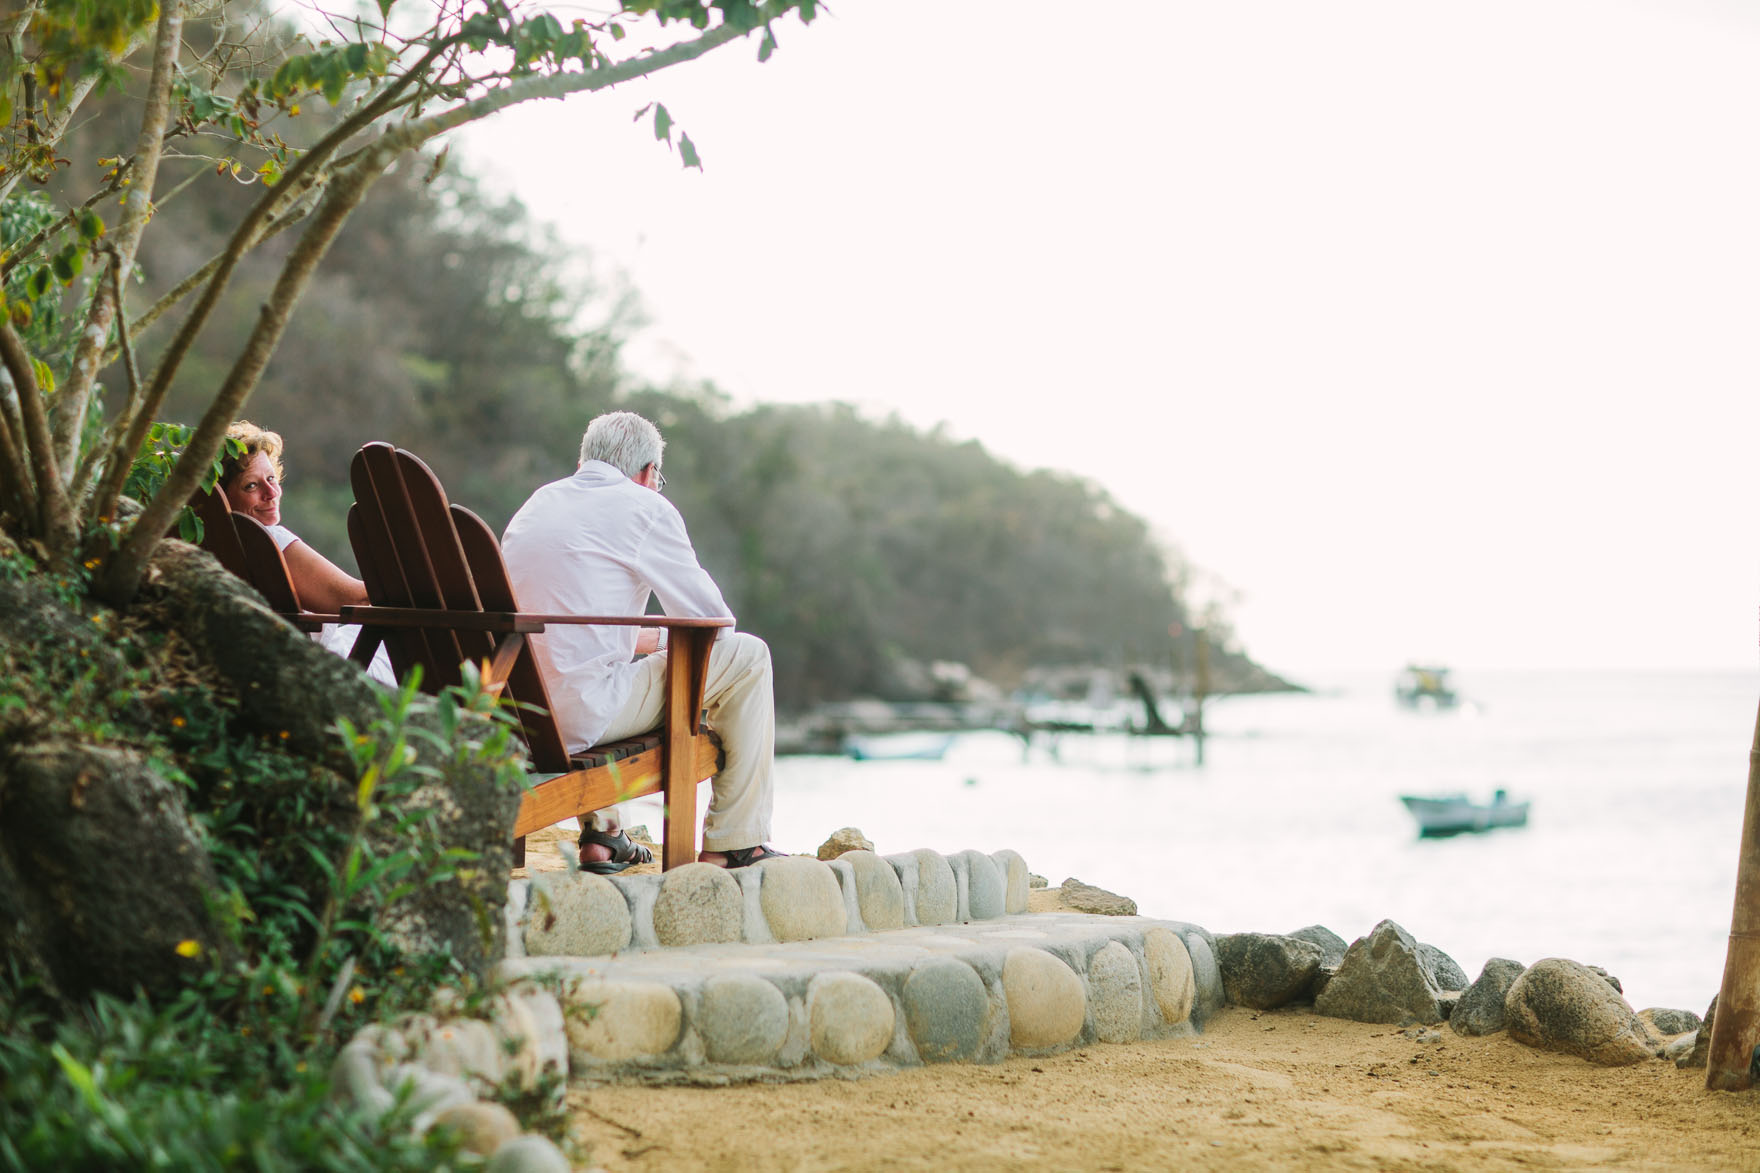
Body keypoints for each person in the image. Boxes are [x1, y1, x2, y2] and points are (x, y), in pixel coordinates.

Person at [501, 411, 782, 871]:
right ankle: (736, 841)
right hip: (579, 717)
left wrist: (646, 639)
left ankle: (604, 837)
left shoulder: (540, 502)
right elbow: (712, 624)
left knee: (598, 669)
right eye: (658, 479)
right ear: (648, 472)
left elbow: (565, 624)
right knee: (749, 656)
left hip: (515, 709)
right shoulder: (644, 507)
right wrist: (666, 642)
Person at [219, 421, 395, 687]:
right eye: (251, 487)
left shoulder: (211, 545)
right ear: (223, 496)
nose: (271, 493)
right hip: (338, 671)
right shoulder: (267, 542)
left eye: (270, 479)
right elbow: (356, 601)